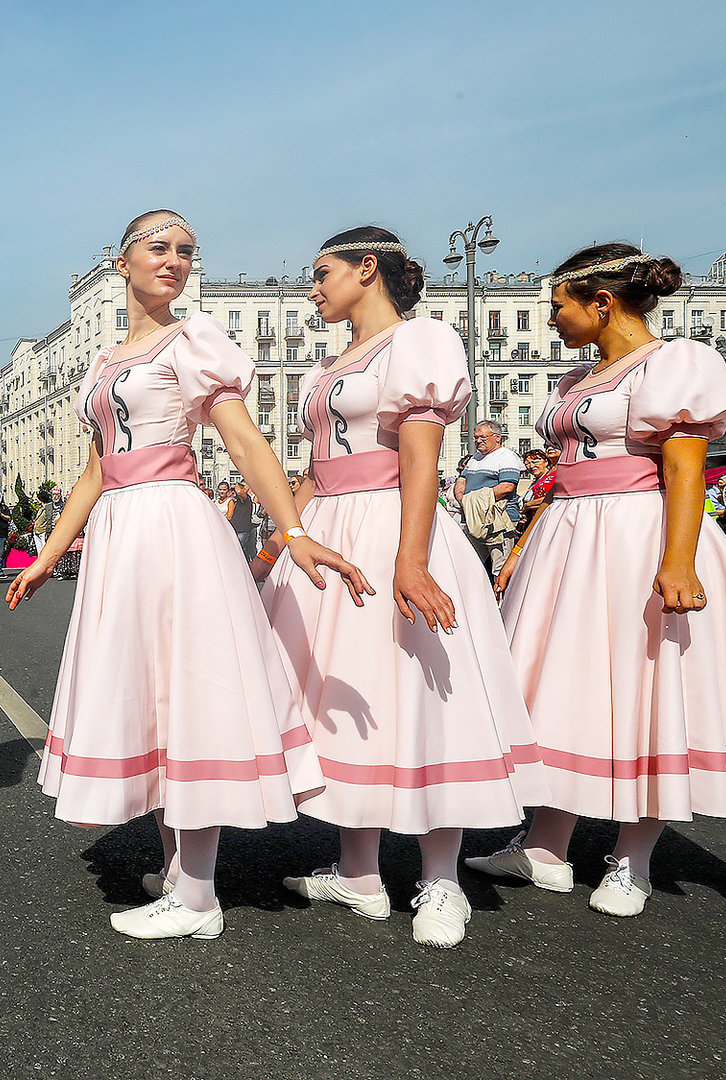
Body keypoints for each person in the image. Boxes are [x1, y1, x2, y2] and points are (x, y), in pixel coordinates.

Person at [6, 210, 368, 940]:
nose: (175, 261)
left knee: (190, 692)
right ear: (123, 263)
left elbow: (243, 439)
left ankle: (198, 895)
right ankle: (179, 873)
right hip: (119, 533)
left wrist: (292, 530)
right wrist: (48, 555)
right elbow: (95, 471)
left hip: (173, 527)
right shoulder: (105, 360)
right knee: (152, 692)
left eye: (187, 252)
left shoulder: (195, 340)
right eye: (159, 247)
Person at [471, 244, 726, 918]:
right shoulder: (580, 377)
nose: (551, 322)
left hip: (638, 535)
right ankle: (545, 843)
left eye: (558, 308)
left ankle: (633, 860)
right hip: (569, 540)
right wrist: (521, 551)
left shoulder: (675, 364)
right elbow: (565, 472)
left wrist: (679, 561)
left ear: (601, 302)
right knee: (566, 689)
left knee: (648, 688)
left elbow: (684, 470)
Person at [256, 227, 544, 949]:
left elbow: (420, 460)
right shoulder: (332, 362)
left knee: (420, 696)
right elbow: (316, 469)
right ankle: (358, 872)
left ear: (366, 269)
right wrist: (281, 542)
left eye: (322, 273)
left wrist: (411, 559)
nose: (312, 288)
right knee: (353, 700)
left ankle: (442, 880)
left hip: (393, 529)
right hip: (332, 533)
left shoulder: (418, 343)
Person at [454, 419, 522, 574]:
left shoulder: (507, 456)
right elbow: (462, 479)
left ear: (497, 437)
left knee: (500, 569)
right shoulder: (475, 458)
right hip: (474, 519)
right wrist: (464, 500)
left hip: (497, 522)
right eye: (476, 438)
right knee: (471, 565)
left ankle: (502, 598)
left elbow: (507, 487)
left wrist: (474, 501)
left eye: (482, 438)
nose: (478, 441)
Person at [226, 480, 256, 557]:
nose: (233, 492)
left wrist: (236, 485)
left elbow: (239, 492)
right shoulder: (233, 501)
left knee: (239, 551)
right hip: (234, 529)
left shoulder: (246, 499)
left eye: (234, 490)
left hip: (242, 530)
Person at [31, 488, 56, 556]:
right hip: (37, 530)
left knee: (44, 549)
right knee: (39, 549)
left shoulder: (48, 508)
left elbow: (48, 519)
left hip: (43, 531)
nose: (37, 500)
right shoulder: (40, 509)